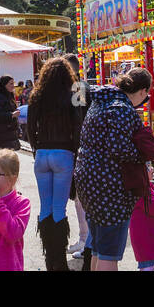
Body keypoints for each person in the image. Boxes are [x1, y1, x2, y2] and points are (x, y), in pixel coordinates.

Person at [74, 67, 154, 272]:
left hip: (88, 182)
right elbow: (120, 149)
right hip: (110, 189)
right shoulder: (121, 109)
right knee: (109, 255)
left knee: (98, 249)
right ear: (143, 91)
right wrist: (143, 157)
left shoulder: (100, 101)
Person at [27, 57, 83, 271]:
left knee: (45, 207)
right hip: (64, 152)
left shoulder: (36, 95)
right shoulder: (75, 91)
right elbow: (79, 125)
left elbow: (30, 128)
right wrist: (76, 153)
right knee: (59, 208)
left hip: (42, 153)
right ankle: (59, 262)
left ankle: (50, 259)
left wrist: (36, 149)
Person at [64, 53, 92, 261]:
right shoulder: (78, 86)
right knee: (79, 198)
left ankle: (86, 239)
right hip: (80, 146)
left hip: (80, 147)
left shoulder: (77, 87)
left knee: (82, 198)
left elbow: (78, 116)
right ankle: (84, 238)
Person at [0, 76, 20, 150]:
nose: (13, 86)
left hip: (10, 130)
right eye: (11, 84)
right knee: (4, 156)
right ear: (4, 84)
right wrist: (11, 115)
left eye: (13, 83)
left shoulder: (9, 94)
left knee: (9, 155)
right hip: (2, 131)